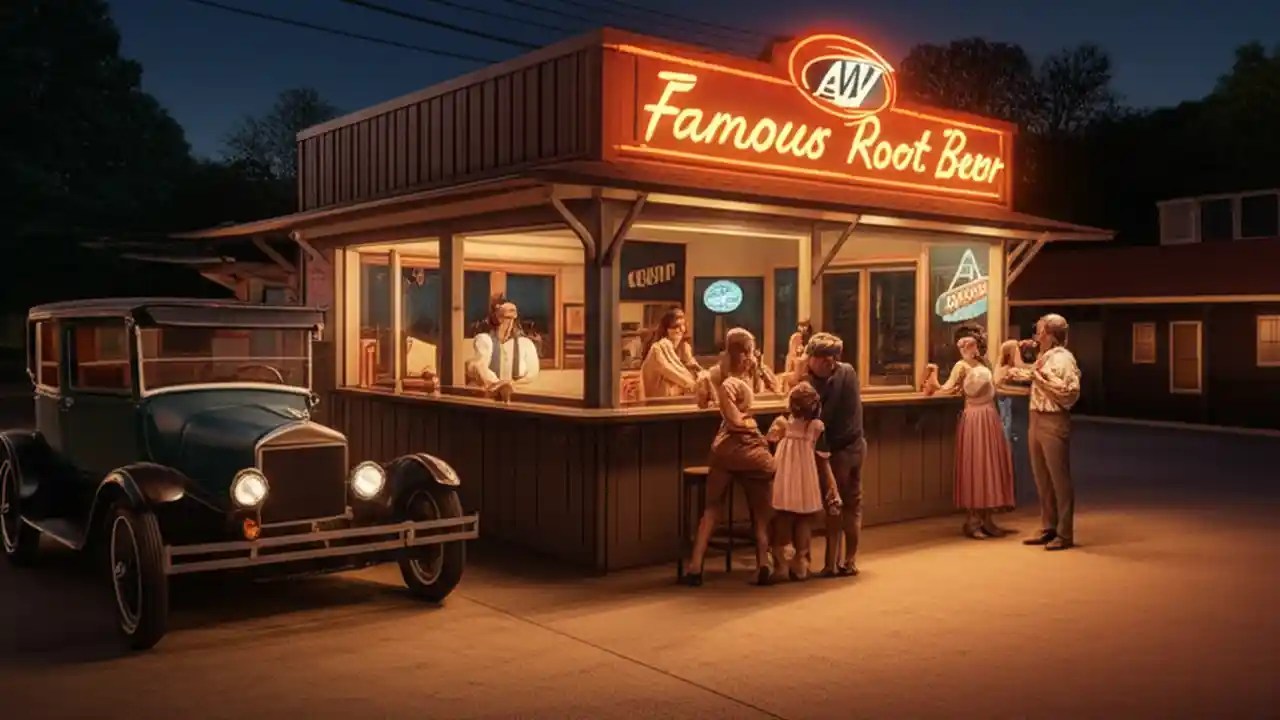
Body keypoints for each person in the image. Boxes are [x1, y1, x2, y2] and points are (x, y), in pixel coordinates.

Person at [681, 328, 777, 587]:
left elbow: (703, 401)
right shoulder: (745, 376)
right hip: (751, 450)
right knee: (760, 511)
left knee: (712, 507)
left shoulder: (716, 373)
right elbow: (773, 395)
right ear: (747, 351)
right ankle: (763, 562)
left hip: (724, 450)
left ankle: (695, 565)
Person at [923, 325, 1017, 539]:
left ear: (978, 345)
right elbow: (945, 388)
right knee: (976, 465)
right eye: (961, 343)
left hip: (989, 416)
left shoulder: (984, 364)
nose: (965, 346)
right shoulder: (961, 366)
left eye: (969, 342)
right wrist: (933, 374)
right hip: (974, 418)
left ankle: (988, 519)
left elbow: (996, 386)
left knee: (990, 465)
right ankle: (973, 520)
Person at [1003, 314, 1081, 551]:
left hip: (1053, 418)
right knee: (1042, 476)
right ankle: (1049, 526)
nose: (1035, 336)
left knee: (1059, 478)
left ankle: (1064, 533)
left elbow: (1069, 392)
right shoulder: (1045, 357)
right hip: (1036, 416)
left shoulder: (1064, 359)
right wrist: (1017, 369)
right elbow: (1034, 375)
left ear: (1049, 334)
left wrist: (1037, 376)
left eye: (1039, 331)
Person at [798, 332, 865, 577]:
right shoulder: (848, 371)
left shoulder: (830, 380)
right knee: (852, 505)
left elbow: (820, 417)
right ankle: (848, 560)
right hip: (857, 445)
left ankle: (831, 563)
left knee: (836, 506)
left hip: (839, 450)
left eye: (832, 357)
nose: (830, 362)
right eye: (825, 357)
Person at [766, 382, 842, 582]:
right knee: (803, 520)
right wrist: (831, 486)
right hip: (806, 477)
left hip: (785, 475)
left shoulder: (781, 424)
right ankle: (801, 563)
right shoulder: (815, 428)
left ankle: (782, 565)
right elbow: (823, 458)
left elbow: (769, 442)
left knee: (782, 517)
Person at [467, 294, 540, 402]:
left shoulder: (526, 344)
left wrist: (512, 384)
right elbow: (479, 366)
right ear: (495, 319)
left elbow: (532, 373)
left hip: (518, 398)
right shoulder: (485, 340)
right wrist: (498, 385)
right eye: (505, 318)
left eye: (512, 319)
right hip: (490, 399)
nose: (509, 324)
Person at [640, 307, 700, 398]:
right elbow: (671, 372)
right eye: (675, 326)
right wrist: (695, 385)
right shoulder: (658, 348)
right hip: (659, 402)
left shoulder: (684, 348)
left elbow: (695, 370)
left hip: (682, 401)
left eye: (683, 325)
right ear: (666, 329)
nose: (680, 329)